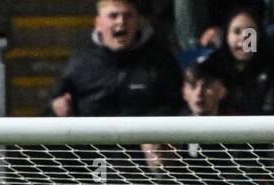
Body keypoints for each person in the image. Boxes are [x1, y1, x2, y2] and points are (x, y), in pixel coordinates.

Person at [50, 0, 184, 117]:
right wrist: (58, 104)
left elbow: (176, 105)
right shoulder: (81, 61)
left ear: (138, 21)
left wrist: (156, 134)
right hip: (92, 143)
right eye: (113, 16)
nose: (121, 21)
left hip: (143, 141)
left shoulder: (160, 60)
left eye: (128, 16)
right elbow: (57, 97)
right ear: (98, 23)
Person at [201, 6, 274, 115]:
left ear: (259, 36)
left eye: (250, 32)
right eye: (236, 31)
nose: (244, 38)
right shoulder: (210, 68)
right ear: (227, 37)